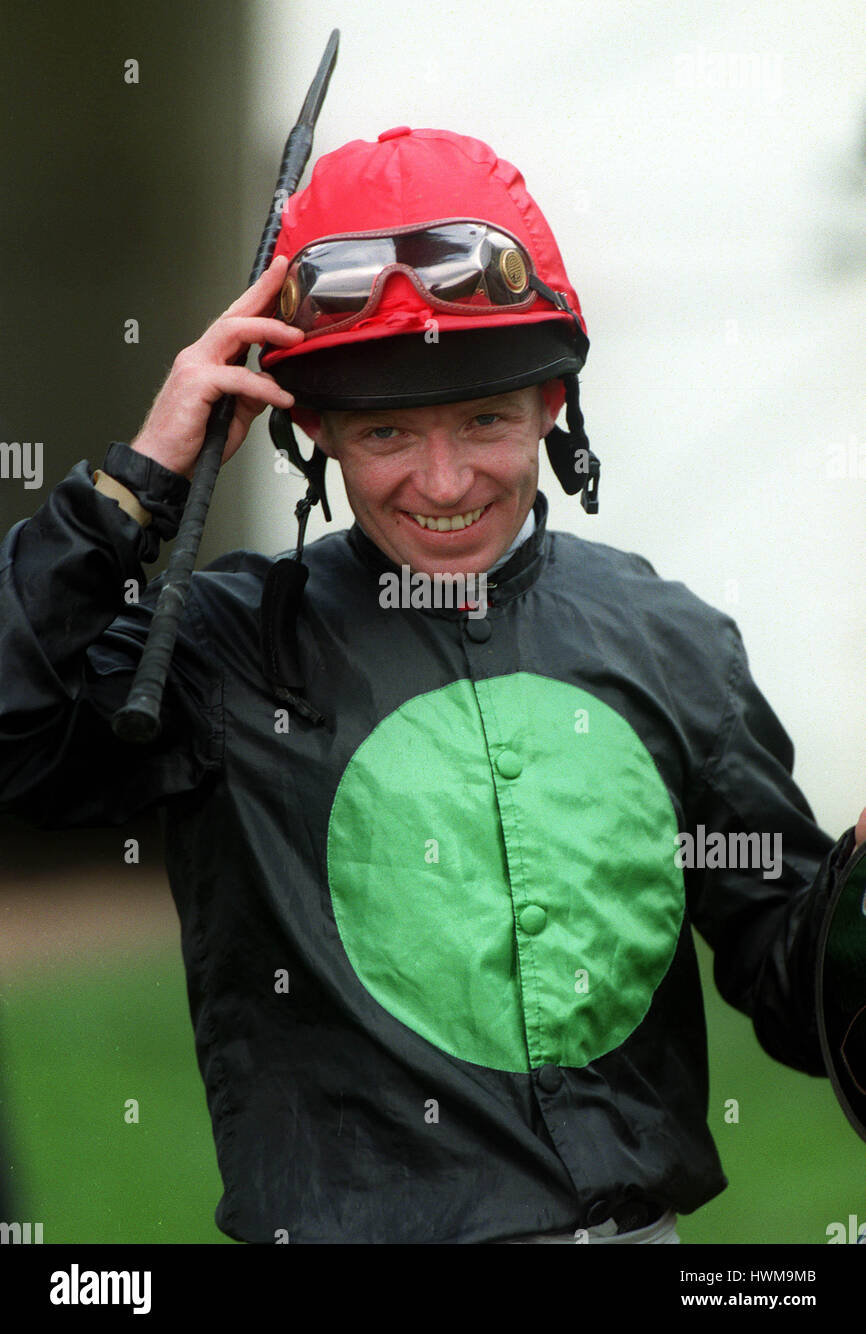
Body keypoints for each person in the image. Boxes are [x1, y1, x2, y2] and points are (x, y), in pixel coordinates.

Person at [0, 127, 863, 1245]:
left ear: (553, 404)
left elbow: (798, 987)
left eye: (484, 422)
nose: (443, 482)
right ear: (308, 431)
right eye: (387, 432)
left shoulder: (672, 640)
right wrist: (137, 484)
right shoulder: (217, 651)